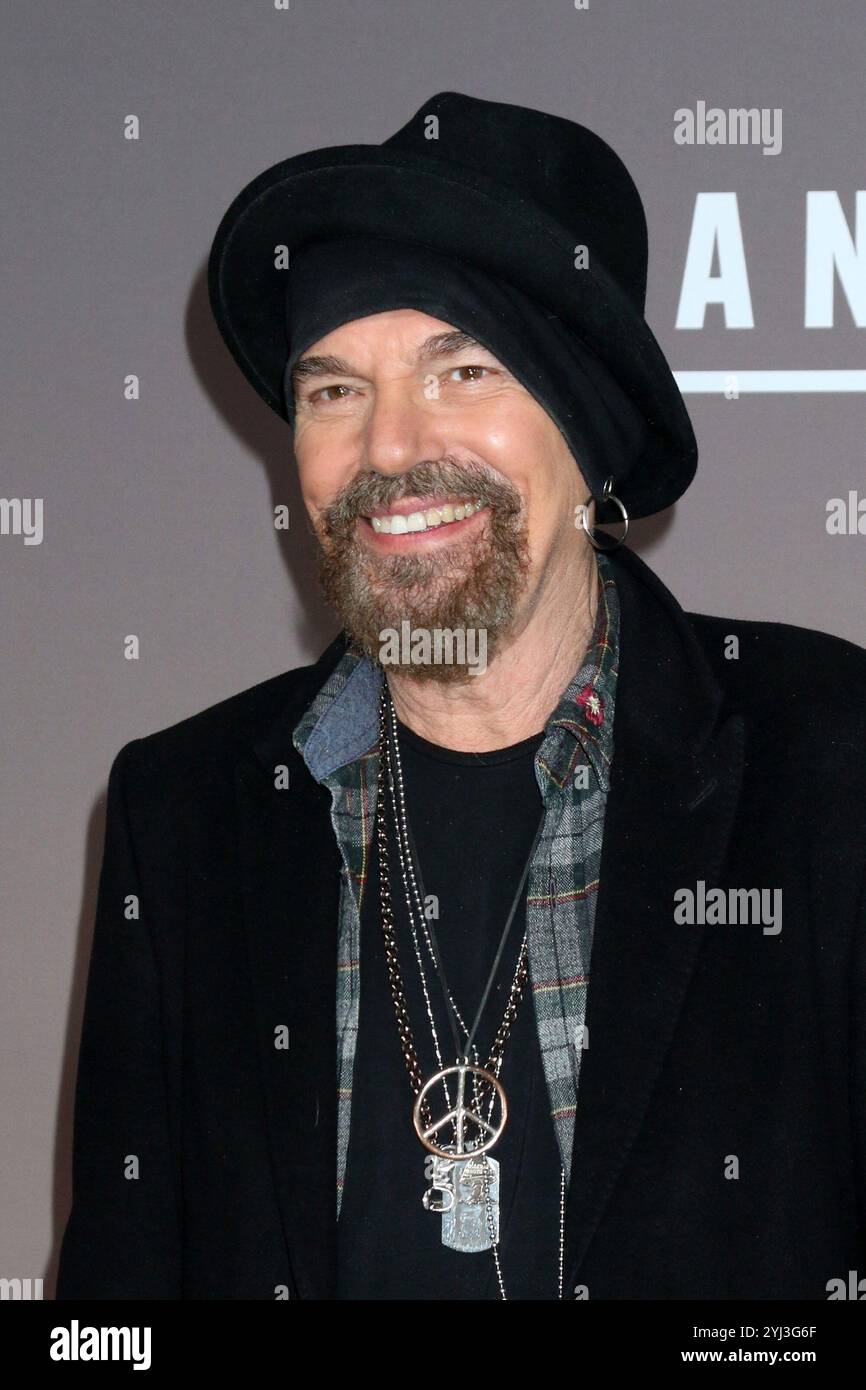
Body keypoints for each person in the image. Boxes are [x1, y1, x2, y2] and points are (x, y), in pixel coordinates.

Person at [56, 91, 866, 1301]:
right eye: (333, 389)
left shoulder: (831, 764)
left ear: (586, 430)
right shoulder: (179, 815)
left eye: (464, 368)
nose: (385, 450)